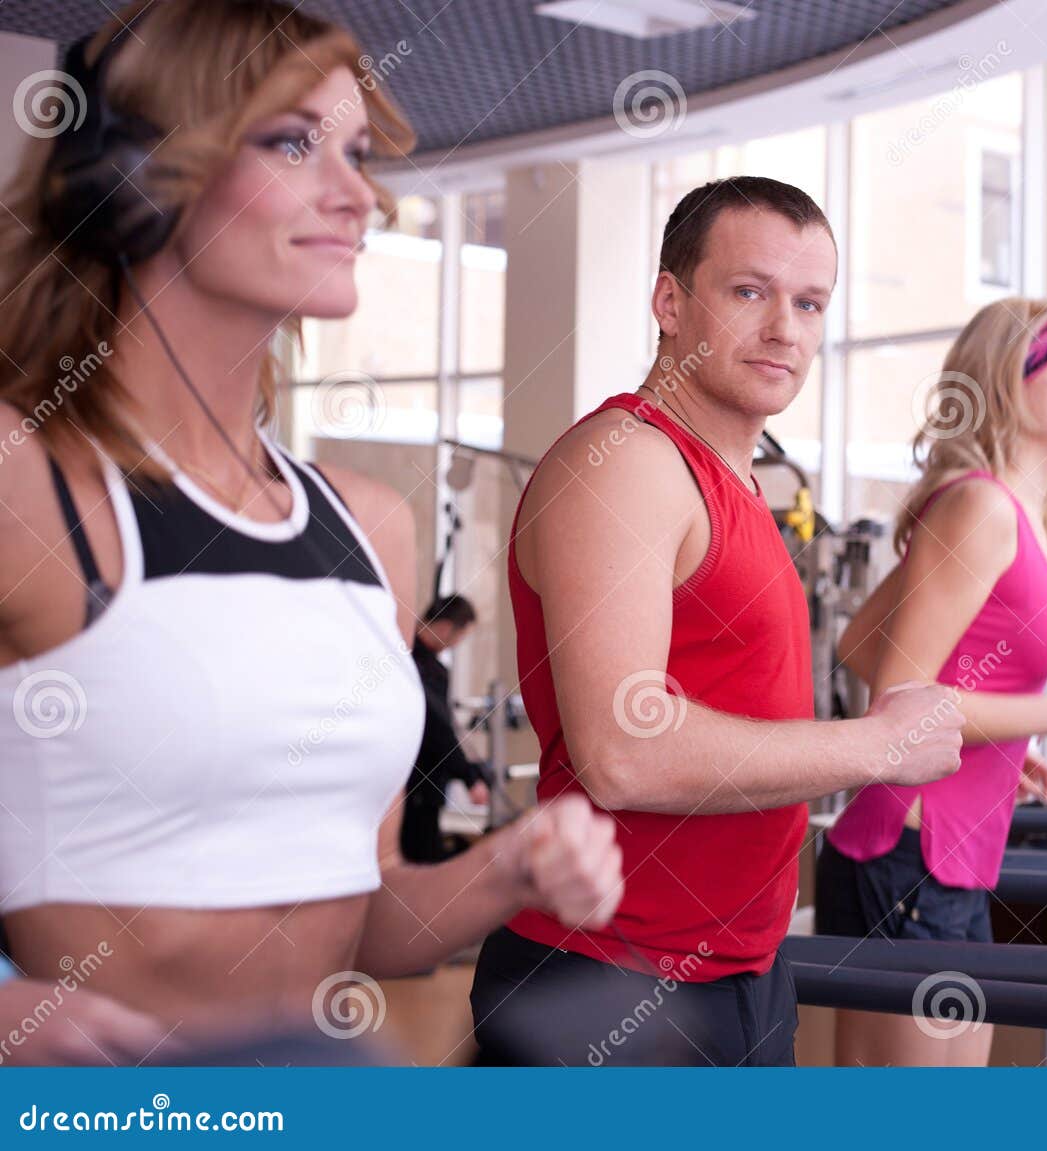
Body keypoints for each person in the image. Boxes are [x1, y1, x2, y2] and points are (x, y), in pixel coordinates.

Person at [0, 0, 620, 1057]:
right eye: (293, 143)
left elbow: (365, 915)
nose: (358, 194)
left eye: (360, 153)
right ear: (142, 174)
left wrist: (506, 868)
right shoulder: (32, 482)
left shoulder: (366, 523)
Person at [470, 176, 966, 1067]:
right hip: (606, 981)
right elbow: (624, 751)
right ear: (669, 300)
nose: (786, 328)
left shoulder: (732, 481)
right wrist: (879, 746)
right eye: (750, 292)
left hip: (737, 972)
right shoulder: (628, 461)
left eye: (810, 303)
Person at [817, 298, 1047, 1066]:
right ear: (1011, 380)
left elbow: (863, 643)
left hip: (944, 862)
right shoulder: (980, 508)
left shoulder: (1015, 513)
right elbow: (901, 703)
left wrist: (999, 743)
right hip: (905, 858)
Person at [403, 594, 492, 864]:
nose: (454, 644)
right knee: (422, 861)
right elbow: (439, 731)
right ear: (445, 627)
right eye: (459, 637)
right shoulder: (425, 668)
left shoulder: (400, 652)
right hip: (418, 787)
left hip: (406, 783)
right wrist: (470, 778)